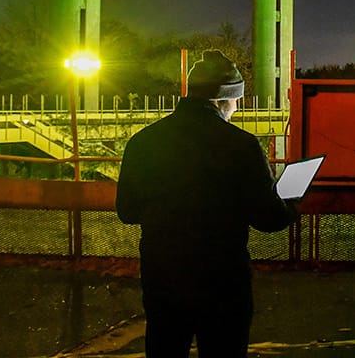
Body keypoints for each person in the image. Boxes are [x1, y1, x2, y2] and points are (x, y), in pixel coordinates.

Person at [116, 49, 296, 358]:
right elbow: (270, 219)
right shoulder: (241, 146)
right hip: (223, 281)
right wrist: (292, 195)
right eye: (237, 100)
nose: (236, 108)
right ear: (224, 98)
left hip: (163, 278)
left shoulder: (143, 141)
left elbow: (127, 211)